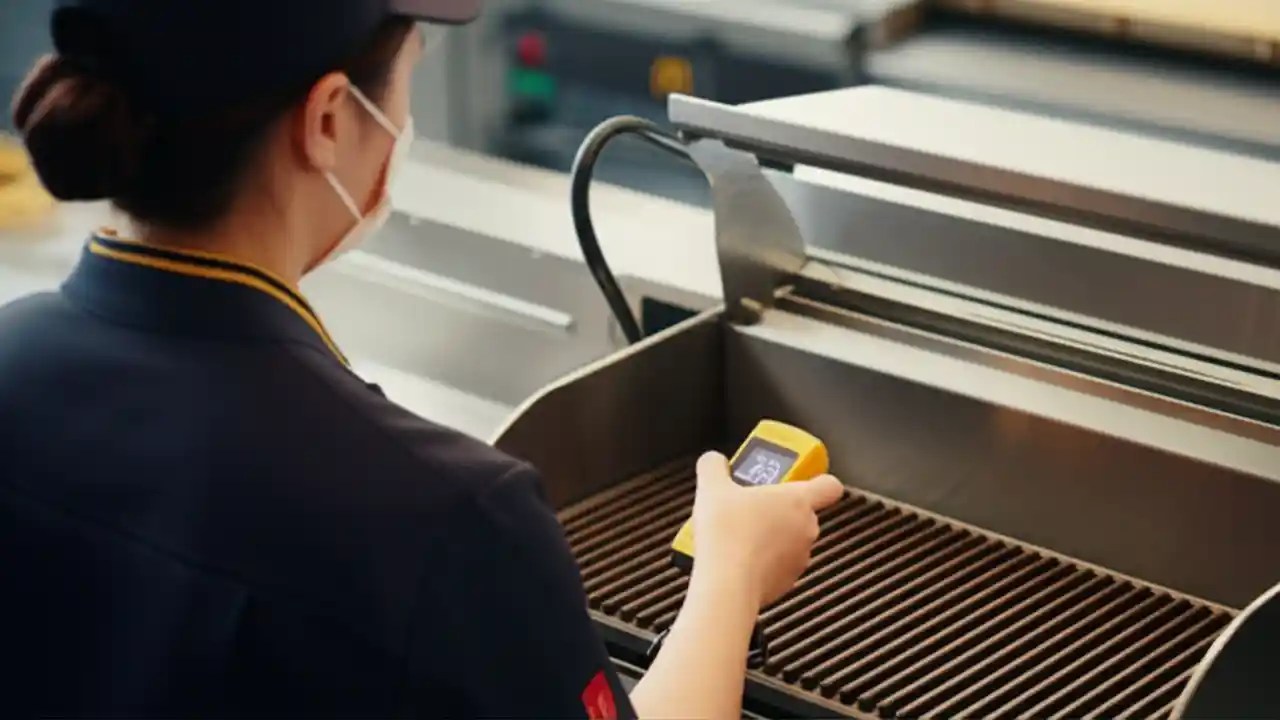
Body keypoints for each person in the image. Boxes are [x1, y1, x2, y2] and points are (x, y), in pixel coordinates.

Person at [0, 0, 845, 717]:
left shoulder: (14, 362)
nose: (401, 122)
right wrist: (731, 574)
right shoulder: (450, 521)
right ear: (329, 119)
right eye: (409, 68)